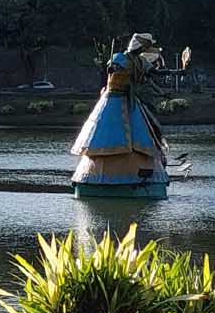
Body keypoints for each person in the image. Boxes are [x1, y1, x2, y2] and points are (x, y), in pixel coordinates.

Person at [70, 33, 172, 197]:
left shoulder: (140, 62)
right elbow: (113, 67)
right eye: (143, 47)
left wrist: (173, 75)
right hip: (113, 101)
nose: (144, 50)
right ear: (138, 47)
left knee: (152, 129)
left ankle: (148, 177)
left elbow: (152, 75)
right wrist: (113, 67)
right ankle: (102, 182)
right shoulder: (120, 58)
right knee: (109, 136)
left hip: (131, 102)